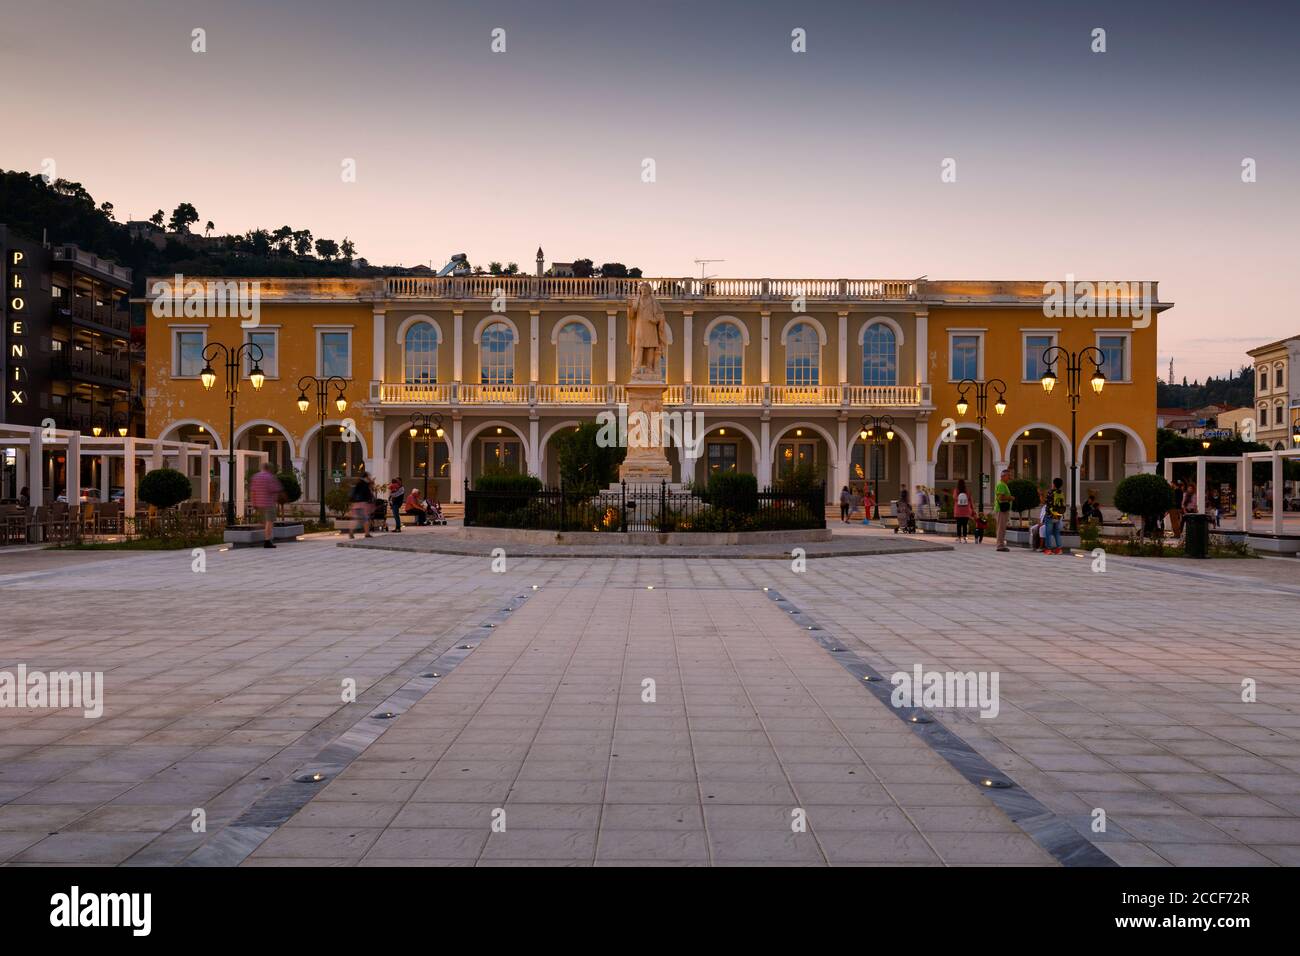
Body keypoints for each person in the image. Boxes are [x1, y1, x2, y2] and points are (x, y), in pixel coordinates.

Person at [249, 462, 284, 549]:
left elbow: (252, 492)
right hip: (269, 503)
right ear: (269, 469)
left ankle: (263, 538)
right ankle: (267, 541)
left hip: (259, 504)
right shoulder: (270, 477)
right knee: (269, 522)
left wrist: (253, 503)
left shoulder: (255, 477)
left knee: (264, 523)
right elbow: (275, 489)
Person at [1043, 477, 1066, 554]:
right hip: (1058, 515)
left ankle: (1048, 549)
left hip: (1050, 515)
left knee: (1048, 533)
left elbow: (1046, 502)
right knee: (1056, 532)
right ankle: (1059, 549)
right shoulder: (1061, 493)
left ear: (1054, 484)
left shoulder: (1051, 492)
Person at [994, 469, 1013, 552]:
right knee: (1001, 528)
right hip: (1001, 509)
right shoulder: (1001, 485)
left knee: (1001, 527)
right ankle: (1000, 545)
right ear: (1003, 476)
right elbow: (1000, 497)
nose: (1009, 477)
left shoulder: (1004, 485)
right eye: (1008, 475)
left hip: (1003, 509)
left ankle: (1001, 544)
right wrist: (1010, 498)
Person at [953, 478, 973, 542]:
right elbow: (971, 500)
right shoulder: (967, 491)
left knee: (958, 525)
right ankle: (965, 537)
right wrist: (972, 509)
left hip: (958, 510)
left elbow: (954, 498)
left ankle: (959, 538)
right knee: (965, 525)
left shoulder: (956, 491)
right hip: (966, 510)